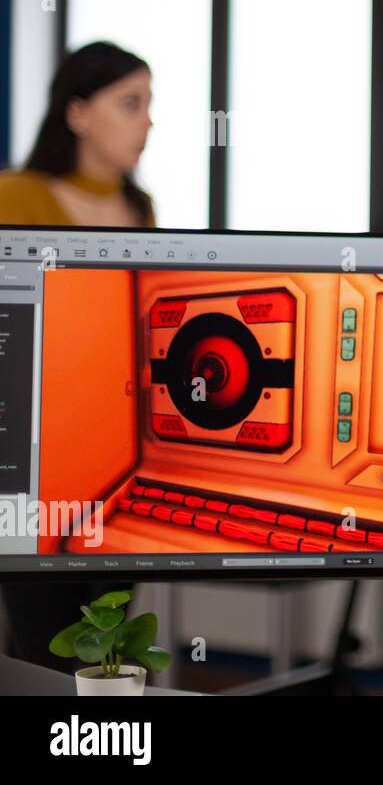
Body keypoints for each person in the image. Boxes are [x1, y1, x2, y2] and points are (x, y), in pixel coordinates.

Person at [0, 40, 155, 670]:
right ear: (77, 113)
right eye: (130, 102)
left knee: (111, 645)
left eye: (149, 105)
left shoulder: (140, 210)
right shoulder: (18, 197)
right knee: (44, 646)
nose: (147, 121)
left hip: (123, 462)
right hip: (36, 467)